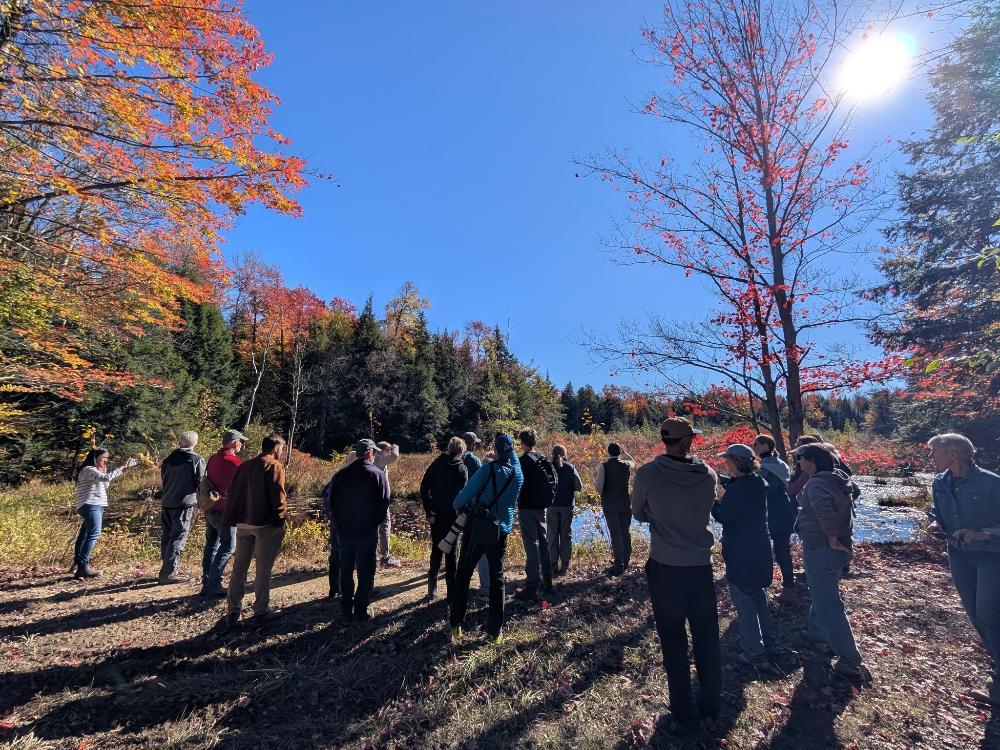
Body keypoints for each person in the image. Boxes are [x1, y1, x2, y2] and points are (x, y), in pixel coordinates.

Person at [631, 417, 721, 727]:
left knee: (672, 639)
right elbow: (708, 506)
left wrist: (659, 514)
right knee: (707, 637)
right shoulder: (709, 475)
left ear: (664, 440)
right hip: (700, 567)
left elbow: (638, 512)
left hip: (666, 567)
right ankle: (710, 703)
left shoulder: (647, 474)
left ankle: (683, 710)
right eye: (691, 437)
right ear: (686, 441)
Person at [928, 433, 1000, 702]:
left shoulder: (992, 483)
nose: (930, 457)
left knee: (989, 612)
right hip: (958, 555)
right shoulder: (939, 482)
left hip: (991, 555)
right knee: (975, 615)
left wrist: (981, 534)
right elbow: (936, 511)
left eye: (934, 451)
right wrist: (936, 524)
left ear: (953, 454)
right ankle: (997, 664)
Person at [793, 443, 870, 683]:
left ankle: (851, 661)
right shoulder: (835, 479)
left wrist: (833, 539)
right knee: (823, 596)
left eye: (801, 458)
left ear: (812, 460)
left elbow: (824, 512)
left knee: (828, 604)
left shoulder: (816, 483)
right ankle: (819, 635)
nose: (798, 462)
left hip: (823, 549)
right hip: (830, 549)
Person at [449, 433, 524, 643]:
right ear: (512, 450)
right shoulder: (518, 473)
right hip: (502, 531)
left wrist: (461, 506)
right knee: (497, 578)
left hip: (479, 529)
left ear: (496, 450)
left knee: (464, 574)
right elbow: (513, 457)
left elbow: (460, 500)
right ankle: (495, 631)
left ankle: (455, 624)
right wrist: (507, 448)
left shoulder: (488, 469)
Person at [712, 444, 775, 669]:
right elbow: (742, 492)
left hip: (742, 551)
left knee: (744, 601)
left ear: (737, 462)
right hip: (759, 547)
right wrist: (727, 483)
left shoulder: (738, 489)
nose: (725, 463)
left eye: (728, 459)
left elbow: (725, 516)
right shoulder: (757, 482)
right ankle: (766, 641)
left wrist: (713, 502)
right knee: (757, 595)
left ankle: (754, 653)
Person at [223, 434, 288, 627]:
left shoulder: (245, 466)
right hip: (265, 524)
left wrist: (234, 517)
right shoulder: (274, 466)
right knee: (263, 569)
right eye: (282, 449)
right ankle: (260, 611)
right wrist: (281, 520)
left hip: (243, 523)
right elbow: (279, 497)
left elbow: (233, 492)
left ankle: (233, 610)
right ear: (275, 448)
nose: (282, 452)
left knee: (239, 568)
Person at [330, 439, 391, 622]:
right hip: (366, 531)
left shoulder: (341, 475)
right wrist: (374, 523)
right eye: (374, 452)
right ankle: (361, 610)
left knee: (346, 570)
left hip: (344, 531)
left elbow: (333, 502)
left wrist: (339, 522)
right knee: (366, 571)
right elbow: (384, 502)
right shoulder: (377, 474)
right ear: (370, 453)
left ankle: (347, 608)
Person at [72, 449, 137, 579]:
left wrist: (104, 471)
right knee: (94, 534)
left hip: (94, 505)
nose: (106, 460)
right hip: (91, 505)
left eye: (107, 458)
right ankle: (83, 567)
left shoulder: (93, 471)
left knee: (84, 535)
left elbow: (105, 484)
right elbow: (106, 478)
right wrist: (122, 467)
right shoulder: (88, 469)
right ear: (95, 458)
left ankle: (78, 564)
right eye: (104, 458)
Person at [420, 437, 469, 601]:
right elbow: (464, 496)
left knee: (436, 550)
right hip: (453, 517)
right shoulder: (462, 468)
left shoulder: (436, 464)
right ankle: (451, 594)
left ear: (449, 448)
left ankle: (432, 590)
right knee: (451, 553)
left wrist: (429, 512)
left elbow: (423, 488)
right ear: (461, 451)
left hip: (436, 516)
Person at [200, 430, 246, 598]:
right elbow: (245, 485)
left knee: (212, 545)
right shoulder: (235, 462)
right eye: (241, 441)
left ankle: (207, 582)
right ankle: (214, 584)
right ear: (234, 442)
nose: (242, 444)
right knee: (228, 546)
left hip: (210, 508)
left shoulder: (213, 458)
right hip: (226, 511)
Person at [753, 434, 797, 601]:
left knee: (777, 552)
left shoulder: (768, 467)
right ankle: (787, 588)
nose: (753, 447)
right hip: (782, 510)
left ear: (765, 446)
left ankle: (778, 589)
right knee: (781, 550)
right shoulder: (779, 464)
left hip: (775, 512)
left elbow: (767, 488)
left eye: (756, 444)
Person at [515, 428, 557, 601]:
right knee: (544, 544)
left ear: (522, 443)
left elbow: (517, 484)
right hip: (542, 508)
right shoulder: (542, 458)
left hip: (527, 508)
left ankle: (532, 586)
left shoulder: (522, 461)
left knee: (531, 546)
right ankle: (548, 582)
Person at [159, 431, 206, 584]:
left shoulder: (168, 459)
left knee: (167, 536)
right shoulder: (196, 460)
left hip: (167, 502)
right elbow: (201, 483)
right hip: (183, 503)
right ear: (195, 443)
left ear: (180, 442)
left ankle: (167, 568)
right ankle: (168, 573)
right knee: (178, 537)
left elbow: (164, 480)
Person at [596, 442, 636, 575]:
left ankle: (619, 564)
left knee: (615, 534)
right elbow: (633, 461)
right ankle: (626, 560)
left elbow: (598, 487)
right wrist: (624, 453)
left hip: (610, 504)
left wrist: (604, 494)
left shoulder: (604, 466)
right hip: (625, 503)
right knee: (625, 532)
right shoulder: (626, 464)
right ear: (619, 452)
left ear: (608, 452)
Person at [461, 431, 491, 601]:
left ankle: (461, 571)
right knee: (475, 543)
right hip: (474, 508)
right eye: (475, 443)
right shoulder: (474, 460)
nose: (476, 445)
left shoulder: (457, 457)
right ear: (471, 444)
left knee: (463, 540)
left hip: (461, 506)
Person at [547, 444, 582, 576]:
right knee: (566, 535)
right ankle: (565, 564)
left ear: (552, 453)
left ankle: (553, 563)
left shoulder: (547, 467)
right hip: (567, 505)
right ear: (564, 453)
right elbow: (579, 486)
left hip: (551, 505)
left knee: (552, 534)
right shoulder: (570, 467)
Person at [375, 441, 401, 567]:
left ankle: (374, 555)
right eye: (388, 451)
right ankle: (385, 557)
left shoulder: (374, 459)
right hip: (380, 501)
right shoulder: (379, 459)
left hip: (373, 500)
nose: (389, 453)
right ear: (383, 450)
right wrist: (395, 446)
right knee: (385, 526)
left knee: (374, 527)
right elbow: (395, 455)